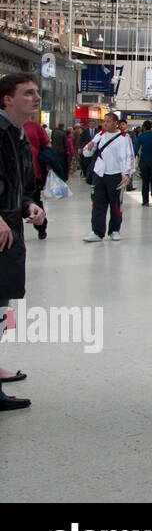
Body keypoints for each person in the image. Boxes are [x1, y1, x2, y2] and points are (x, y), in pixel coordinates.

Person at [0, 73, 47, 410]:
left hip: (11, 231)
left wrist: (31, 204)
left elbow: (22, 183)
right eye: (27, 93)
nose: (36, 97)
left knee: (2, 305)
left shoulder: (17, 136)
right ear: (7, 99)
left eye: (36, 92)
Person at [82, 112, 134, 242]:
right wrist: (88, 148)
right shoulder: (99, 135)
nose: (105, 123)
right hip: (100, 174)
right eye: (104, 121)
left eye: (108, 121)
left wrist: (127, 173)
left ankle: (114, 230)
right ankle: (97, 231)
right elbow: (87, 153)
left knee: (116, 204)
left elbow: (130, 156)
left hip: (116, 175)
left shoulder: (124, 137)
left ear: (115, 123)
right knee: (97, 202)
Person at [22, 116, 49, 240]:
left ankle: (41, 227)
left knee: (35, 200)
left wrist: (49, 162)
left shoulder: (34, 126)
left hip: (33, 171)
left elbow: (47, 144)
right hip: (11, 174)